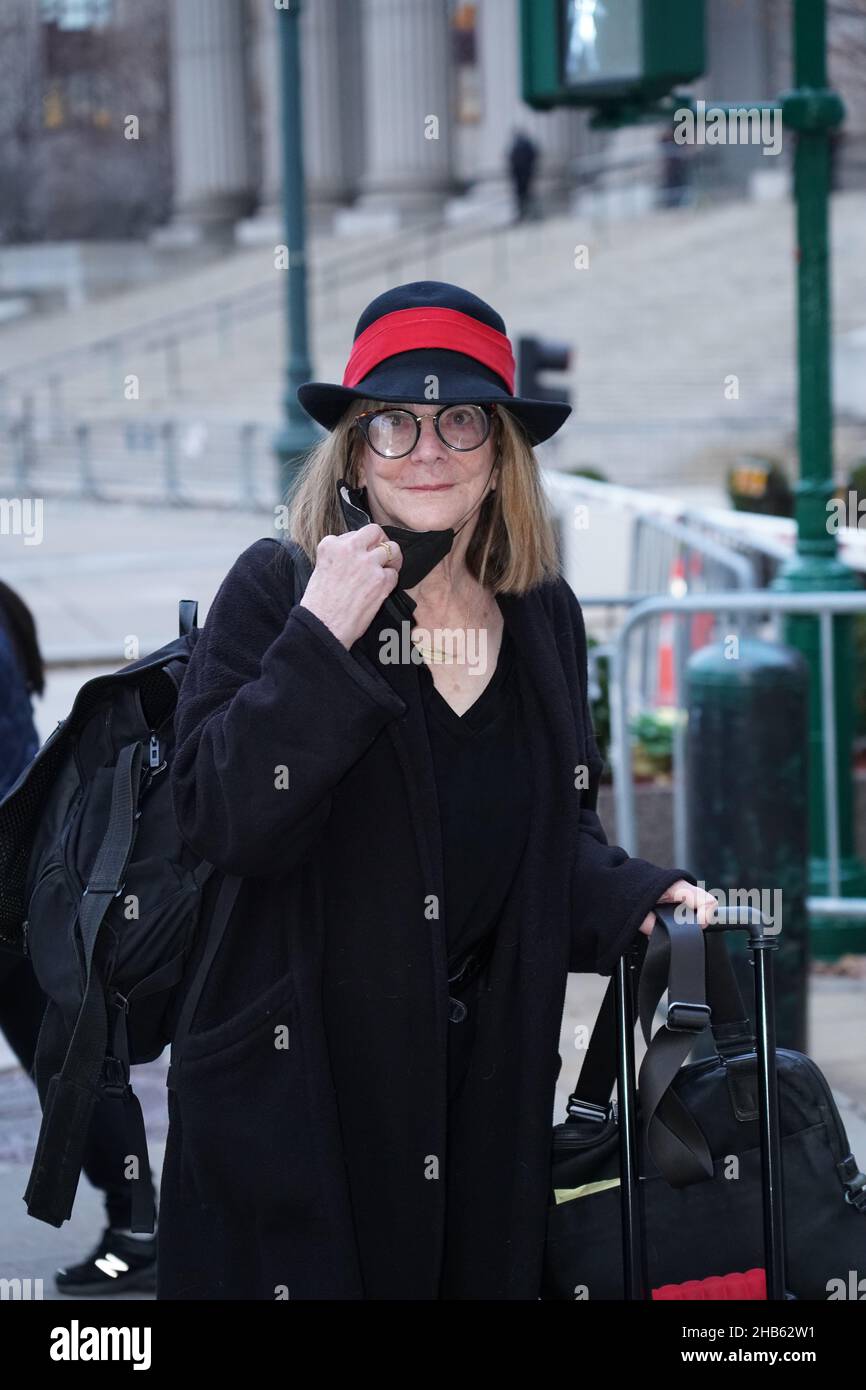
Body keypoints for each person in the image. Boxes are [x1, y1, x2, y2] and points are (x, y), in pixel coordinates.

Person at [159, 280, 716, 1300]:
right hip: (305, 1085)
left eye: (458, 418)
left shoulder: (537, 607)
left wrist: (640, 895)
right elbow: (221, 815)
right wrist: (323, 634)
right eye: (393, 424)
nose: (426, 449)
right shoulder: (280, 586)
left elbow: (555, 831)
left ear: (499, 448)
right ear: (354, 451)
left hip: (482, 1086)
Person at [0, 579, 158, 1296]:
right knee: (71, 1055)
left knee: (75, 1060)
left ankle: (140, 1231)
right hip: (25, 875)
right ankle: (139, 1228)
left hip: (16, 886)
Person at [507, 128, 539, 222]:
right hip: (522, 174)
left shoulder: (520, 146)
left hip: (522, 174)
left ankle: (526, 213)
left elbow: (532, 156)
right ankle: (525, 213)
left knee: (524, 194)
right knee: (524, 194)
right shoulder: (521, 145)